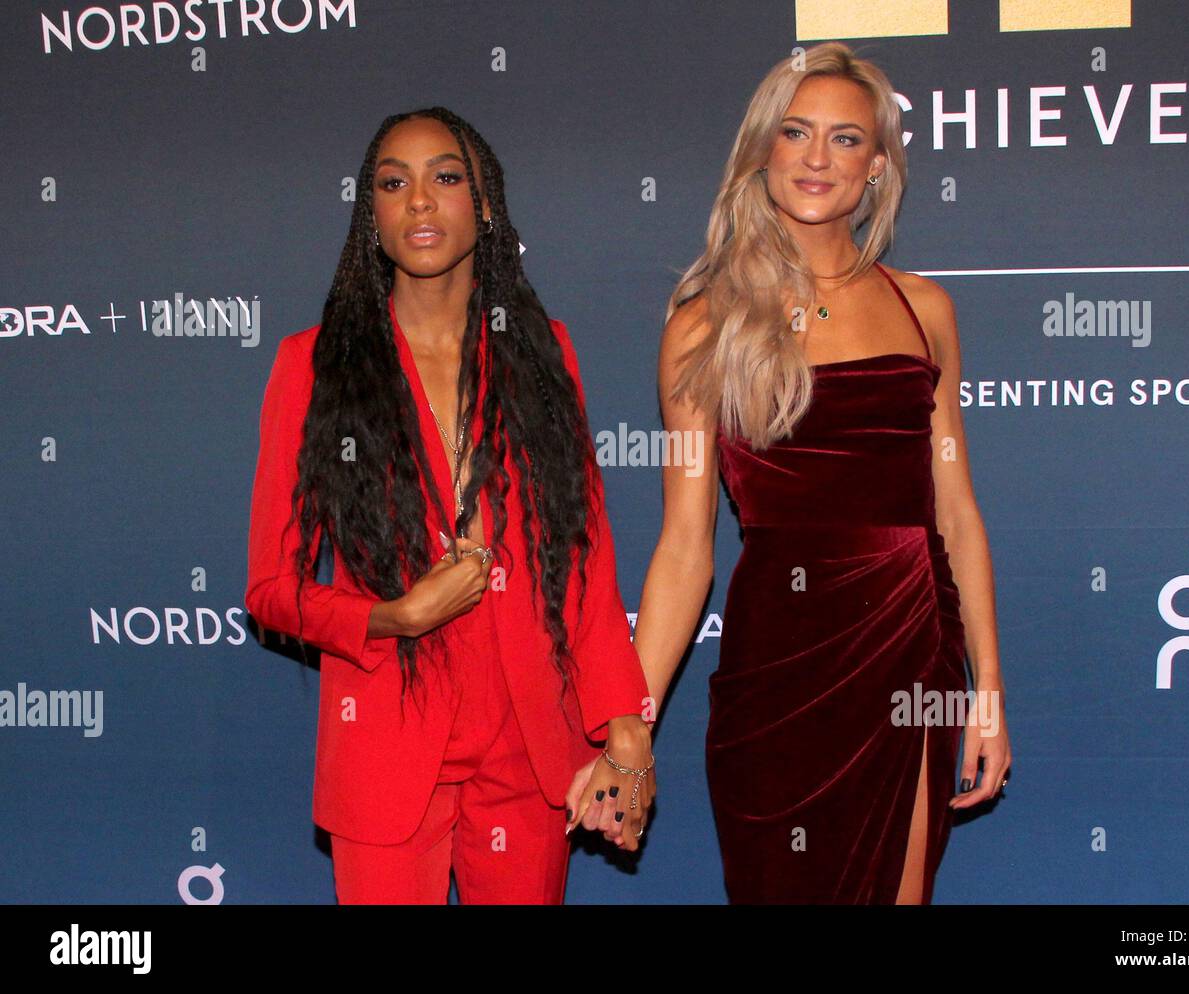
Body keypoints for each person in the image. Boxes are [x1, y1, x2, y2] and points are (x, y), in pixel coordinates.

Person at [244, 107, 655, 905]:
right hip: (388, 755)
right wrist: (394, 617)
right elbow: (270, 589)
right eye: (394, 184)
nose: (420, 201)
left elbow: (586, 557)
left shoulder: (544, 350)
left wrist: (624, 722)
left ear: (486, 204)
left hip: (530, 752)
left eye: (446, 177)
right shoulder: (313, 365)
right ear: (374, 215)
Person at [631, 43, 1011, 903]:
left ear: (876, 166)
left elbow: (954, 511)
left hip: (912, 654)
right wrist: (631, 723)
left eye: (846, 139)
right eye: (795, 132)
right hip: (778, 663)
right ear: (762, 150)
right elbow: (686, 550)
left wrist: (986, 690)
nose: (816, 157)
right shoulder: (704, 325)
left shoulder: (926, 309)